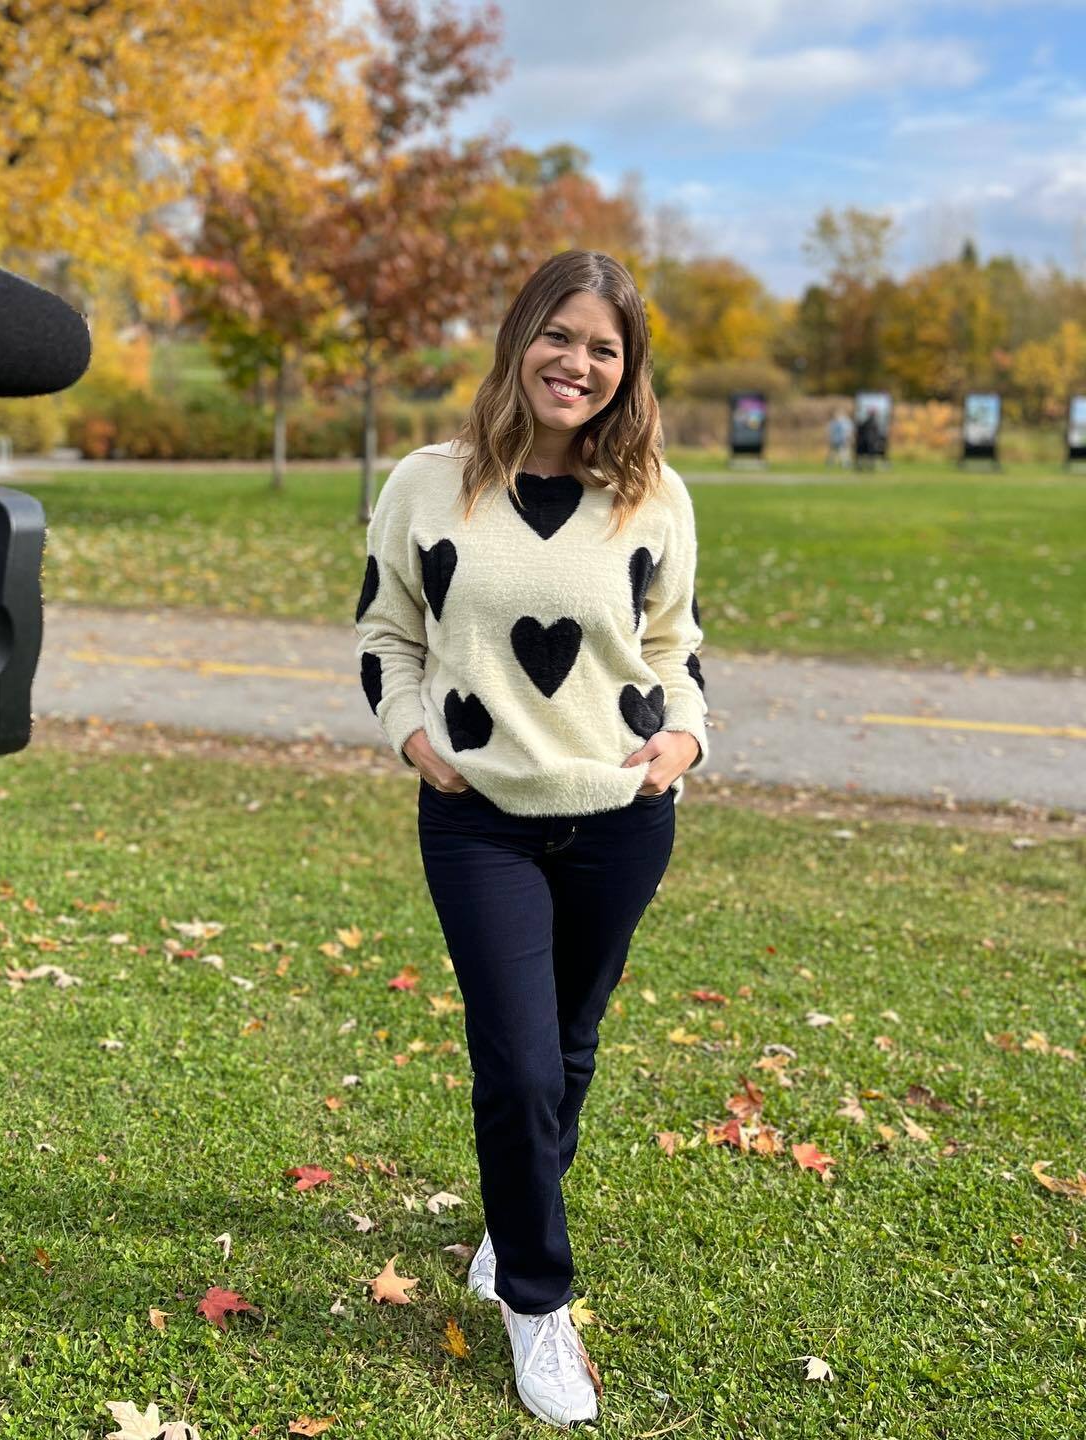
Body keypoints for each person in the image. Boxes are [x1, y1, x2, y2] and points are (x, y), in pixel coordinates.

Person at [353, 250, 708, 1428]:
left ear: (628, 370)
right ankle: (538, 1304)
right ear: (519, 341)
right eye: (560, 337)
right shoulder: (427, 483)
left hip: (620, 818)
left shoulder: (652, 494)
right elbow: (384, 633)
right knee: (514, 1062)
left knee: (567, 1046)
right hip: (480, 822)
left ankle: (514, 1229)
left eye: (605, 348)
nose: (579, 363)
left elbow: (674, 649)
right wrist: (414, 737)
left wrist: (688, 741)